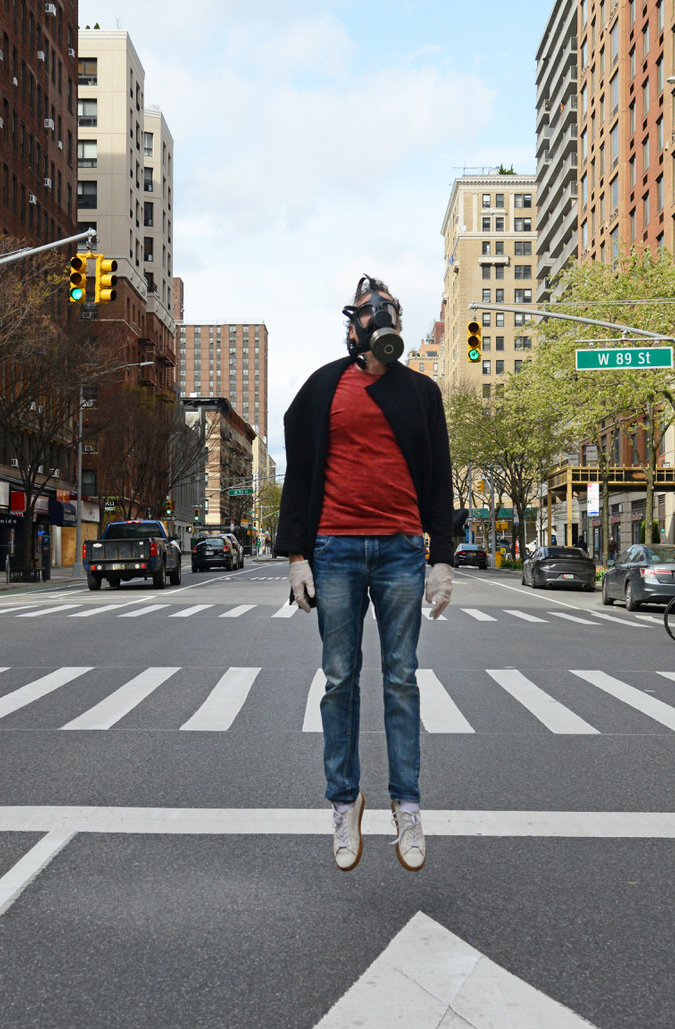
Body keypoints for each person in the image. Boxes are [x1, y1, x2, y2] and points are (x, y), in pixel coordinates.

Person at [275, 274, 454, 874]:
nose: (384, 324)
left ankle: (407, 805)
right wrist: (297, 556)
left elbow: (439, 480)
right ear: (353, 326)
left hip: (403, 549)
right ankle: (345, 802)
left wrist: (443, 559)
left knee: (401, 678)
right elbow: (299, 476)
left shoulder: (421, 393)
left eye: (391, 315)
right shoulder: (322, 388)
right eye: (373, 315)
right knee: (339, 678)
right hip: (336, 551)